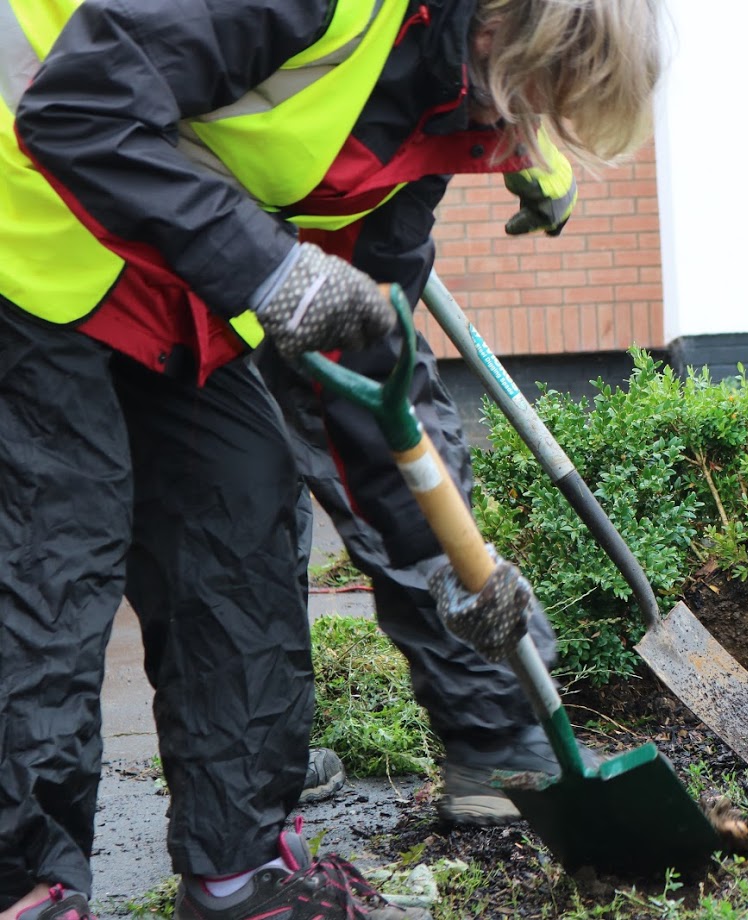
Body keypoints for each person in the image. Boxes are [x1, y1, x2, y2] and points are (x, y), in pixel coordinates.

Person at [0, 0, 662, 919]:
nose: (520, 133)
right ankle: (26, 887)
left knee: (242, 524)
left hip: (171, 267)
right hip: (24, 219)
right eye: (531, 95)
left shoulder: (441, 105)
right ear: (497, 22)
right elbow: (75, 107)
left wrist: (449, 575)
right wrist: (274, 272)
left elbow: (366, 373)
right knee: (53, 553)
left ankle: (241, 877)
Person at [270, 132, 587, 826]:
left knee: (249, 489)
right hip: (310, 236)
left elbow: (499, 59)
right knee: (398, 477)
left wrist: (537, 157)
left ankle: (258, 764)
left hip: (240, 229)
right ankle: (496, 742)